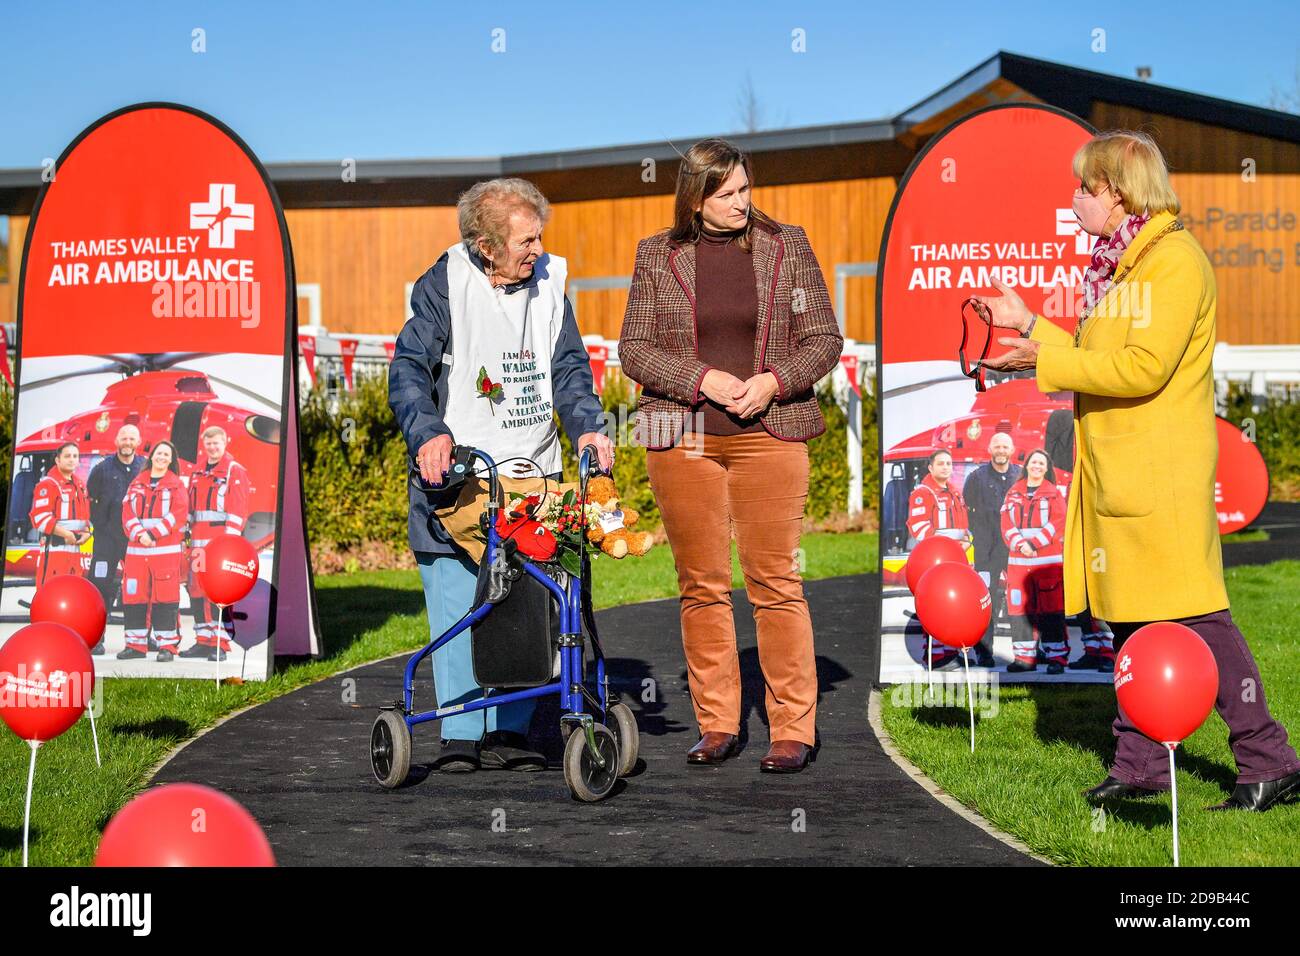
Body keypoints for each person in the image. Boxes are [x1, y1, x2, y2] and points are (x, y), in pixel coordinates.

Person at [977, 129, 1300, 811]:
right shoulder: (1125, 264)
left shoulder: (1173, 262)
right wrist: (1029, 325)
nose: (1074, 199)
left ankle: (1268, 758)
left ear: (1119, 193)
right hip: (1124, 473)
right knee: (1132, 618)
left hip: (1159, 476)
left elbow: (1141, 368)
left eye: (1084, 187)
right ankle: (1142, 765)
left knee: (1197, 616)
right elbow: (1099, 357)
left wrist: (1041, 359)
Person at [618, 138, 843, 773]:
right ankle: (717, 723)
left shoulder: (787, 245)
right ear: (695, 199)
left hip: (770, 434)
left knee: (775, 582)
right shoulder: (657, 255)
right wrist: (701, 380)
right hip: (684, 438)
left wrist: (775, 380)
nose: (741, 203)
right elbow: (634, 349)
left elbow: (825, 339)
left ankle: (792, 727)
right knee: (702, 585)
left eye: (745, 189)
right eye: (726, 194)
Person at [389, 177, 612, 773]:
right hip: (460, 475)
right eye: (525, 241)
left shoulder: (550, 283)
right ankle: (461, 730)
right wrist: (427, 433)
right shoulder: (446, 282)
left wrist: (589, 427)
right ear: (486, 246)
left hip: (534, 470)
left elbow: (570, 371)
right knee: (459, 600)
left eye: (539, 237)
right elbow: (408, 367)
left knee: (529, 600)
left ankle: (512, 725)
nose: (538, 249)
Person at [180, 426, 251, 661]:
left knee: (218, 591)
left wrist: (229, 545)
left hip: (220, 542)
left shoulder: (234, 471)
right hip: (197, 544)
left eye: (216, 443)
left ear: (225, 442)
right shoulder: (197, 471)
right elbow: (189, 506)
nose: (212, 448)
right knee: (196, 589)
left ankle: (220, 644)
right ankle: (202, 641)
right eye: (208, 444)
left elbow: (238, 509)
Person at [118, 441, 189, 662]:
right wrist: (140, 534)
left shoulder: (176, 485)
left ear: (171, 459)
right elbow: (127, 512)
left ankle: (167, 646)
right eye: (159, 453)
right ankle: (135, 645)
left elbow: (178, 514)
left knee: (165, 599)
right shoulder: (136, 483)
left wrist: (153, 534)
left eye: (166, 454)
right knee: (134, 598)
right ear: (152, 456)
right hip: (137, 552)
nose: (162, 457)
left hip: (164, 553)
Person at [1000, 449, 1067, 674]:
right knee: (1020, 611)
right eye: (1034, 462)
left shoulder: (1054, 494)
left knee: (1051, 611)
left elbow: (1059, 522)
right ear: (1027, 465)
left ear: (1047, 469)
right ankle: (1024, 658)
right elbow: (1005, 524)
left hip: (1047, 564)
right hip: (1018, 564)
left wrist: (1034, 544)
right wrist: (1021, 545)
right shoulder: (1013, 493)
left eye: (1041, 463)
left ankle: (1056, 657)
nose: (1037, 466)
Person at [906, 449, 971, 669]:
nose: (945, 467)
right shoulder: (922, 493)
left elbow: (963, 527)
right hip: (936, 559)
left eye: (949, 463)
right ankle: (935, 655)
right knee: (936, 606)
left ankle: (950, 651)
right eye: (941, 463)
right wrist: (949, 546)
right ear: (930, 467)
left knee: (953, 605)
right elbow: (920, 527)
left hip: (956, 558)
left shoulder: (955, 492)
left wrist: (966, 541)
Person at [962, 432, 1022, 667]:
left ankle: (1025, 654)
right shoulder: (976, 478)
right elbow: (967, 510)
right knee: (986, 601)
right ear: (989, 449)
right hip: (986, 552)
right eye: (997, 445)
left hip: (1014, 550)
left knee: (1021, 599)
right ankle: (985, 652)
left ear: (1012, 450)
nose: (1001, 450)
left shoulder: (1021, 475)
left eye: (1005, 446)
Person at [86, 425, 145, 654]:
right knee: (100, 587)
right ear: (116, 440)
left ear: (138, 441)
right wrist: (101, 526)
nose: (127, 442)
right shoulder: (102, 469)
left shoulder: (145, 467)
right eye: (124, 438)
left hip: (134, 540)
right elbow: (90, 500)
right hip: (106, 541)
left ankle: (140, 639)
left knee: (139, 588)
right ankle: (96, 637)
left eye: (131, 438)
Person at [28, 442, 92, 593]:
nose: (72, 459)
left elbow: (85, 516)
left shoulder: (80, 485)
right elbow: (40, 518)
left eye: (75, 456)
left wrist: (87, 532)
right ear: (58, 460)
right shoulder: (48, 484)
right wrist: (66, 534)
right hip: (54, 552)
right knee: (51, 593)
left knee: (71, 594)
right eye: (67, 456)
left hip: (75, 551)